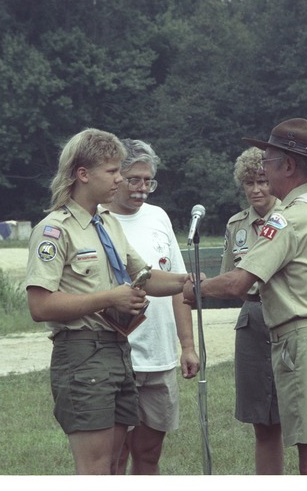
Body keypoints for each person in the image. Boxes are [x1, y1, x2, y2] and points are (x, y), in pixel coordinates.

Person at [183, 118, 307, 475]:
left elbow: (238, 283)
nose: (262, 169)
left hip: (306, 343)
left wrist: (193, 290)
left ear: (289, 165)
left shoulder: (288, 219)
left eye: (267, 161)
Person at [25, 128, 191, 475]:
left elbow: (146, 276)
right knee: (97, 468)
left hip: (118, 351)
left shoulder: (108, 224)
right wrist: (109, 297)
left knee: (115, 465)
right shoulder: (55, 230)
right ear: (83, 174)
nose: (121, 179)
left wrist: (190, 283)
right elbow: (40, 306)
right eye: (113, 171)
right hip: (83, 354)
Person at [104, 138, 200, 475]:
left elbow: (177, 287)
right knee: (113, 458)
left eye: (149, 181)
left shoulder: (159, 218)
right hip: (118, 355)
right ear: (116, 177)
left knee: (148, 454)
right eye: (134, 180)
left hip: (160, 357)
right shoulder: (99, 220)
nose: (143, 188)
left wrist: (187, 346)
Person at [220, 147, 283, 474]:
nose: (256, 189)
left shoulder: (291, 218)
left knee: (296, 418)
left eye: (262, 181)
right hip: (253, 318)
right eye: (249, 183)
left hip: (286, 315)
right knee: (261, 419)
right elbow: (231, 276)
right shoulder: (237, 225)